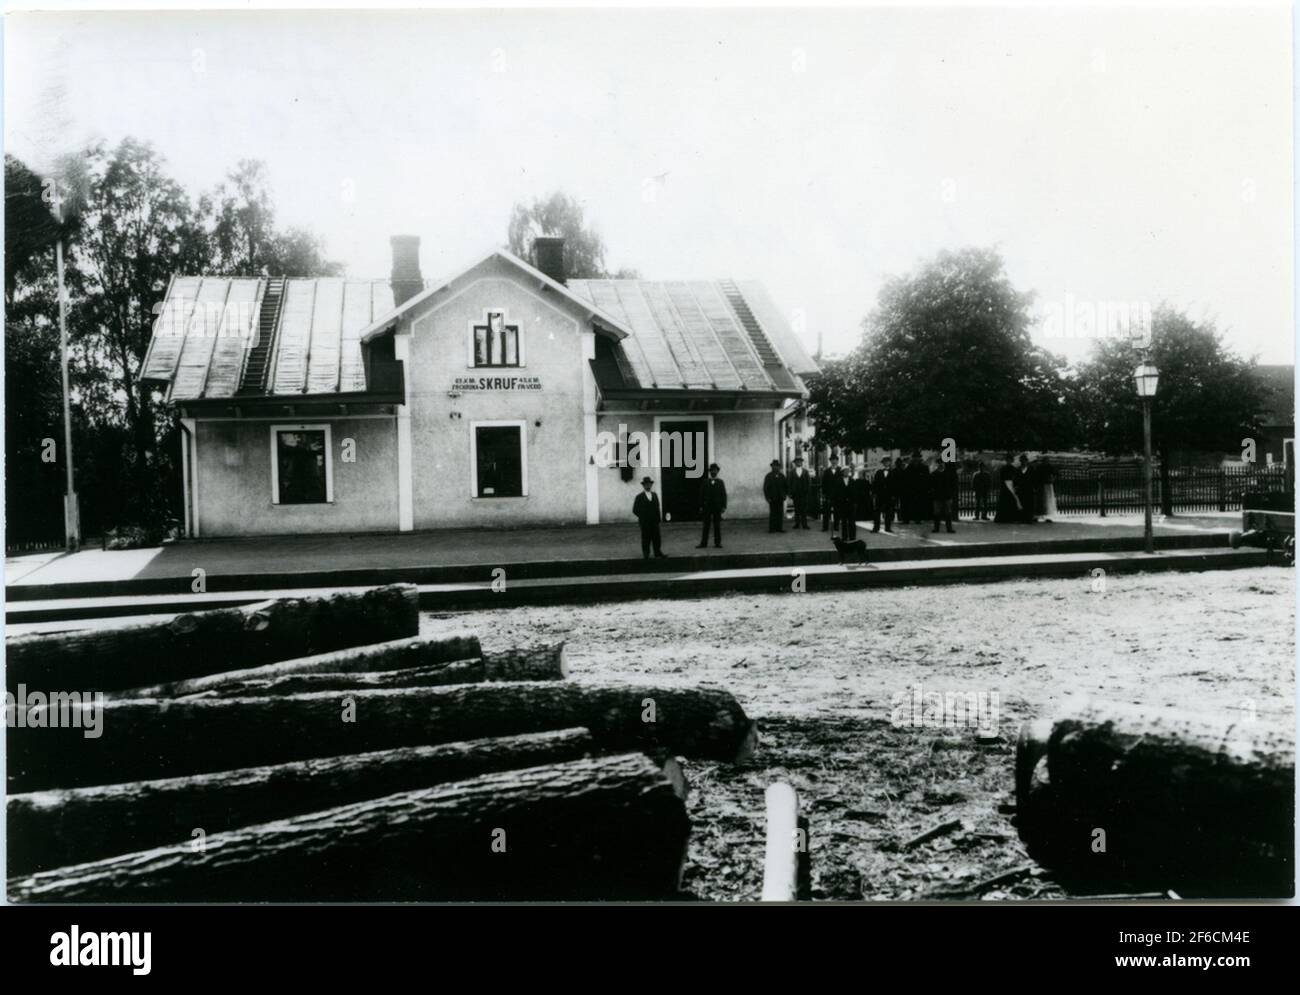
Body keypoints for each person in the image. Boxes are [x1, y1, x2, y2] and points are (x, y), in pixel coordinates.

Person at [632, 476, 668, 559]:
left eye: (649, 484)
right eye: (646, 484)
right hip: (645, 522)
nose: (647, 486)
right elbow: (635, 510)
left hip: (654, 521)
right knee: (646, 538)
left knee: (656, 538)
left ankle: (657, 552)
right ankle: (646, 553)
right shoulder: (639, 497)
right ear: (643, 486)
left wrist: (658, 519)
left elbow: (657, 507)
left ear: (651, 485)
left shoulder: (654, 495)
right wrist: (642, 516)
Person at [697, 462, 727, 548]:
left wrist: (723, 506)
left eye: (715, 470)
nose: (713, 472)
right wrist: (701, 506)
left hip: (717, 507)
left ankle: (717, 543)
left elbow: (723, 495)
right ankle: (703, 543)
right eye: (711, 471)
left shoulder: (720, 482)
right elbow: (701, 495)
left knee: (717, 525)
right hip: (707, 507)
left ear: (717, 471)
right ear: (709, 472)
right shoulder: (705, 482)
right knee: (706, 525)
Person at [930, 457, 958, 534]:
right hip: (938, 496)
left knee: (948, 513)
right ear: (937, 464)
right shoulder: (934, 474)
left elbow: (953, 485)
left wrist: (951, 493)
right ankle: (936, 528)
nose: (940, 465)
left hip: (946, 496)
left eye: (942, 463)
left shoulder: (947, 474)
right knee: (937, 513)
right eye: (939, 463)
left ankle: (949, 528)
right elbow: (931, 486)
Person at [994, 453, 1022, 523]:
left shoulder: (1014, 469)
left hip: (1011, 486)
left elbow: (1016, 478)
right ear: (1006, 461)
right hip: (1005, 487)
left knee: (1012, 501)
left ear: (1011, 461)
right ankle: (1003, 518)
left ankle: (1012, 518)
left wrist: (1015, 485)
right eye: (1007, 460)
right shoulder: (1003, 468)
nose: (1009, 461)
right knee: (1004, 502)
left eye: (1010, 460)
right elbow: (1001, 478)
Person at [821, 454, 845, 532]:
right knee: (826, 511)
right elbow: (823, 483)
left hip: (838, 495)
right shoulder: (826, 471)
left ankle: (836, 526)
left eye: (835, 460)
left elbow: (843, 482)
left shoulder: (841, 470)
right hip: (828, 494)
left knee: (837, 511)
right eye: (832, 460)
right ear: (830, 461)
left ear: (837, 461)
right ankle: (825, 527)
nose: (834, 461)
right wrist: (824, 494)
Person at [847, 466, 872, 540]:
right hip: (859, 497)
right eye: (859, 474)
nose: (860, 475)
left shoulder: (866, 481)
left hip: (864, 497)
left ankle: (864, 517)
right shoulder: (856, 481)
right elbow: (854, 489)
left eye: (861, 474)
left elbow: (868, 489)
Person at [872, 456, 895, 533]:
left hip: (889, 495)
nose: (886, 463)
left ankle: (887, 528)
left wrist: (893, 495)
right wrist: (874, 494)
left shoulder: (893, 473)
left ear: (890, 463)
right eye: (885, 462)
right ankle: (876, 528)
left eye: (888, 461)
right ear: (883, 463)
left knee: (888, 512)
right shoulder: (879, 472)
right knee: (877, 511)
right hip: (880, 495)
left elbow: (895, 485)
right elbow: (875, 484)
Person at [763, 459, 788, 533]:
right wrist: (767, 498)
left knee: (780, 513)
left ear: (779, 467)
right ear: (772, 467)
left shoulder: (782, 476)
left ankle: (779, 528)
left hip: (780, 498)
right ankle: (772, 528)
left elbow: (786, 486)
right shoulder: (768, 476)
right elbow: (765, 488)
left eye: (777, 466)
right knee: (773, 513)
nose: (776, 468)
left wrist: (784, 495)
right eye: (774, 466)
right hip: (772, 498)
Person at [788, 455, 812, 529]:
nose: (799, 463)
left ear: (802, 462)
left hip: (803, 493)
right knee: (797, 509)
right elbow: (789, 482)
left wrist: (807, 492)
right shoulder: (792, 472)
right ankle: (797, 524)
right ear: (795, 463)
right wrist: (790, 493)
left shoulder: (805, 472)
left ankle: (804, 524)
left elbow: (809, 482)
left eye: (800, 461)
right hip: (796, 493)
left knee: (804, 509)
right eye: (797, 461)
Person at [1036, 455, 1057, 523]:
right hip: (1041, 485)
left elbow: (1056, 474)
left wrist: (1052, 479)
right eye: (1045, 461)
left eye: (1047, 461)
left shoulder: (1050, 467)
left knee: (1048, 500)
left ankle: (1048, 516)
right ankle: (1040, 515)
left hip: (1048, 485)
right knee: (1041, 501)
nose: (1046, 462)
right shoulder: (1040, 467)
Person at [1017, 453, 1037, 523]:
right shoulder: (1018, 469)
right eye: (1022, 461)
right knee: (1022, 503)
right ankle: (1022, 518)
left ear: (1027, 461)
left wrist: (1034, 487)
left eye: (1024, 461)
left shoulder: (1031, 469)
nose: (1023, 462)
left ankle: (1029, 518)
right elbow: (1017, 479)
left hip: (1029, 488)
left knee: (1029, 504)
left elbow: (1034, 479)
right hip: (1021, 489)